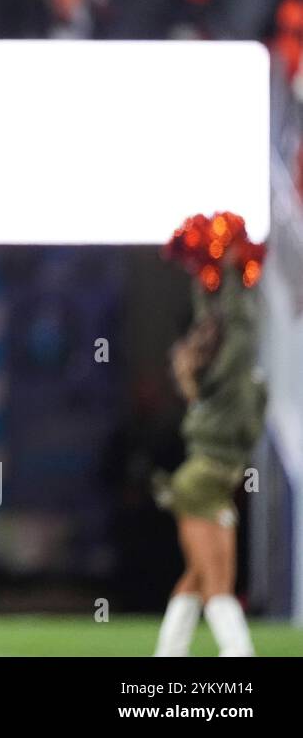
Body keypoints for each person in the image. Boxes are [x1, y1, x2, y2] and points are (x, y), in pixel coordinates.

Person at [153, 212, 265, 657]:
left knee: (200, 577)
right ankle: (239, 653)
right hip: (202, 481)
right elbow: (239, 326)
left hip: (214, 479)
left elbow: (214, 318)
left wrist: (206, 270)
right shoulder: (225, 373)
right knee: (218, 579)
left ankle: (169, 654)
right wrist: (235, 269)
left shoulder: (215, 369)